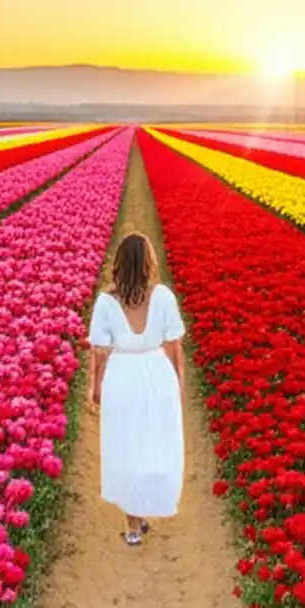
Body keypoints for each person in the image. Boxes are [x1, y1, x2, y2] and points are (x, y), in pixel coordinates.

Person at [86, 231, 186, 547]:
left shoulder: (105, 302)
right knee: (154, 442)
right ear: (148, 263)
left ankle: (133, 522)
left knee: (125, 446)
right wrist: (179, 384)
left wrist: (95, 386)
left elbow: (98, 351)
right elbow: (174, 346)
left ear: (119, 264)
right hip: (157, 374)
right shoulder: (164, 297)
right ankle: (148, 505)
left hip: (122, 377)